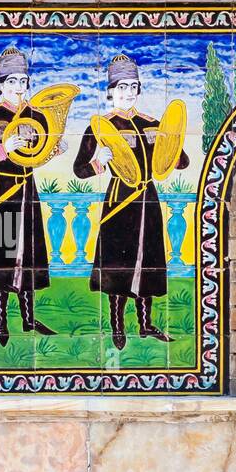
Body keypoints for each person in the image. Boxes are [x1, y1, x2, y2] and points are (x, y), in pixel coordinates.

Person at [72, 53, 188, 350]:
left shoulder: (151, 123)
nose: (127, 92)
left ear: (139, 89)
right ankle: (117, 326)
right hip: (120, 199)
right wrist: (99, 161)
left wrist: (169, 147)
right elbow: (80, 170)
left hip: (148, 198)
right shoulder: (101, 127)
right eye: (121, 87)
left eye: (133, 86)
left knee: (147, 262)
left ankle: (146, 324)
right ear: (111, 90)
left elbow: (181, 160)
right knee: (118, 264)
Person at [0, 46, 56, 346]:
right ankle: (0, 322)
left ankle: (29, 319)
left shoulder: (37, 115)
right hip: (0, 190)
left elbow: (39, 152)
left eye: (23, 81)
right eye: (12, 81)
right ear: (1, 83)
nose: (19, 87)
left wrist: (52, 152)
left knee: (30, 256)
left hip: (28, 190)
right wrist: (5, 149)